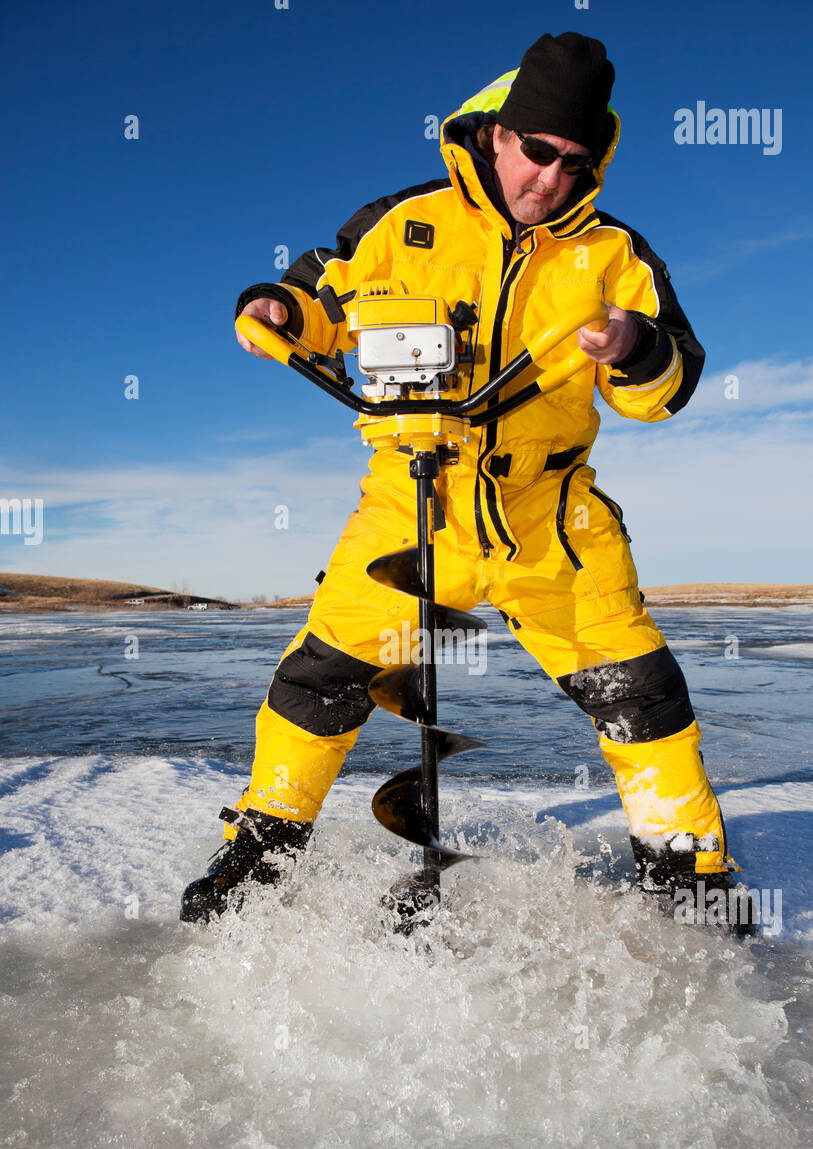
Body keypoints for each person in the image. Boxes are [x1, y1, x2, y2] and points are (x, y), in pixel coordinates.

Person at [181, 31, 747, 929]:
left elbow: (667, 388)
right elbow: (316, 302)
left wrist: (635, 347)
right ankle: (262, 842)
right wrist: (277, 308)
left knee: (639, 696)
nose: (554, 177)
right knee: (319, 679)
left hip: (551, 520)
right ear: (496, 136)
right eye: (539, 151)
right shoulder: (401, 224)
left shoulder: (614, 255)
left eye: (577, 159)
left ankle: (688, 871)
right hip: (406, 513)